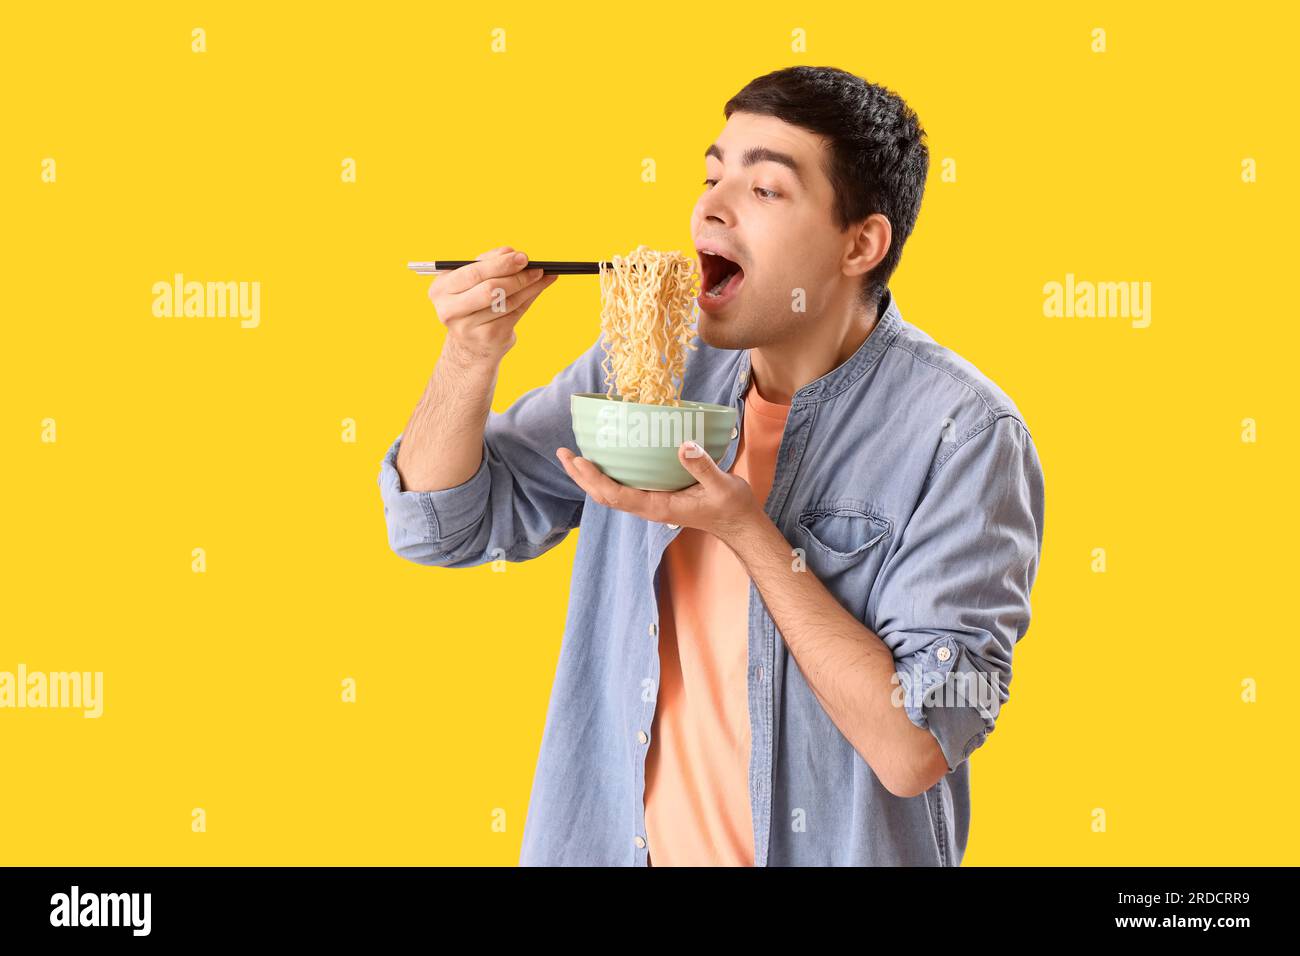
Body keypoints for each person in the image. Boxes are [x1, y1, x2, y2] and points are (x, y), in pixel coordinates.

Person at [378, 65, 1045, 866]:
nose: (710, 206)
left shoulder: (961, 434)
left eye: (764, 189)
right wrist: (468, 355)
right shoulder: (648, 367)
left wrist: (745, 529)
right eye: (711, 174)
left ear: (861, 243)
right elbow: (440, 526)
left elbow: (915, 746)